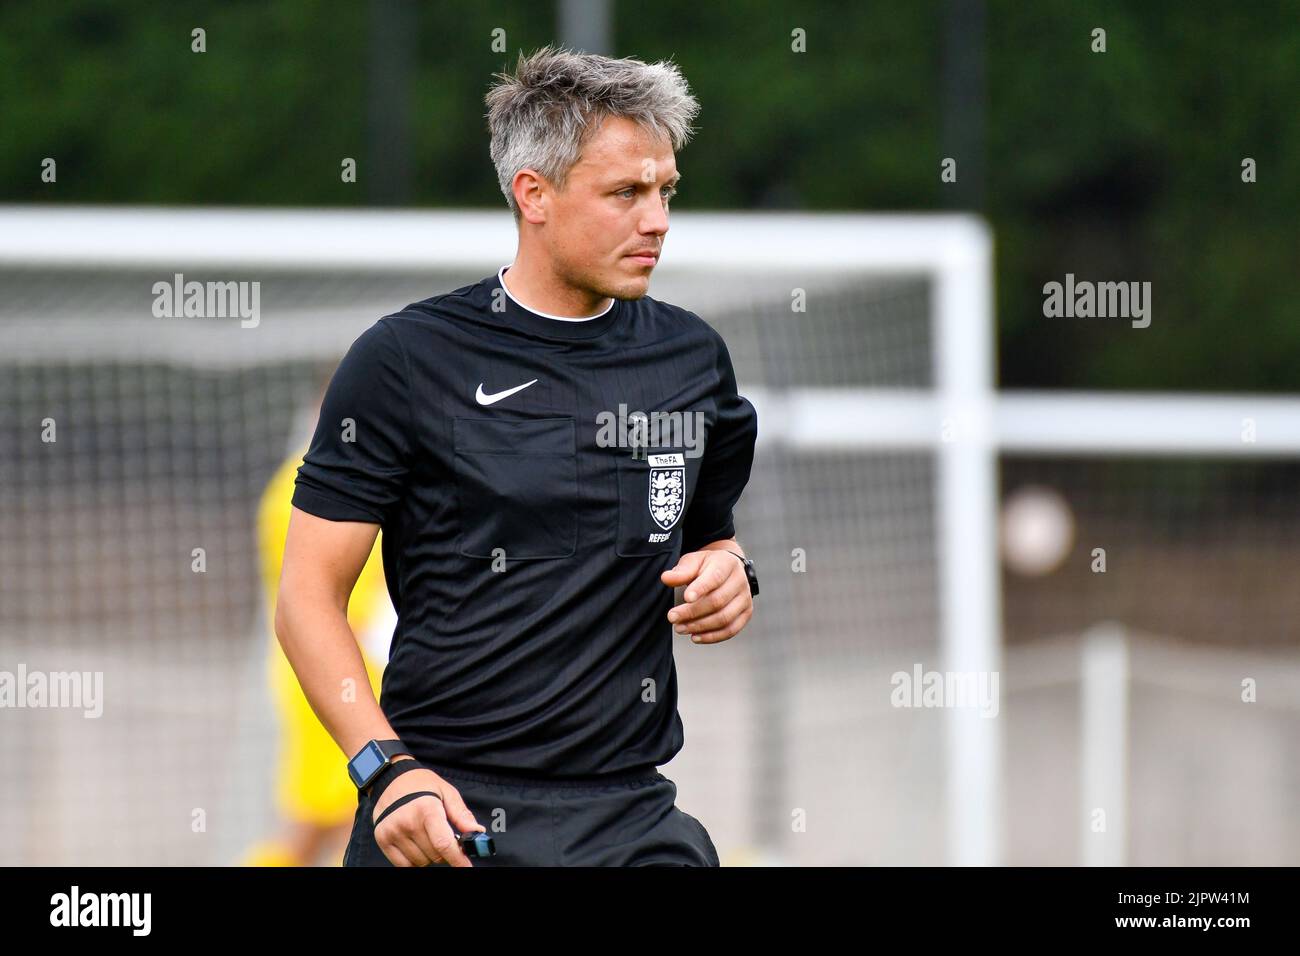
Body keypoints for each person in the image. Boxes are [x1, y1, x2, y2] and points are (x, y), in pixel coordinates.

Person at [275, 45, 758, 867]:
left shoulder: (692, 360)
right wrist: (385, 771)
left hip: (631, 818)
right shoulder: (406, 360)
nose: (658, 220)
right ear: (533, 194)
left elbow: (711, 540)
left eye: (665, 191)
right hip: (444, 813)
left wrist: (731, 576)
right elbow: (306, 598)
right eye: (626, 193)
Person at [240, 386, 392, 866]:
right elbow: (324, 597)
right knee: (341, 817)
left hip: (351, 673)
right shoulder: (304, 492)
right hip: (330, 677)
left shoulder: (343, 480)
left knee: (344, 816)